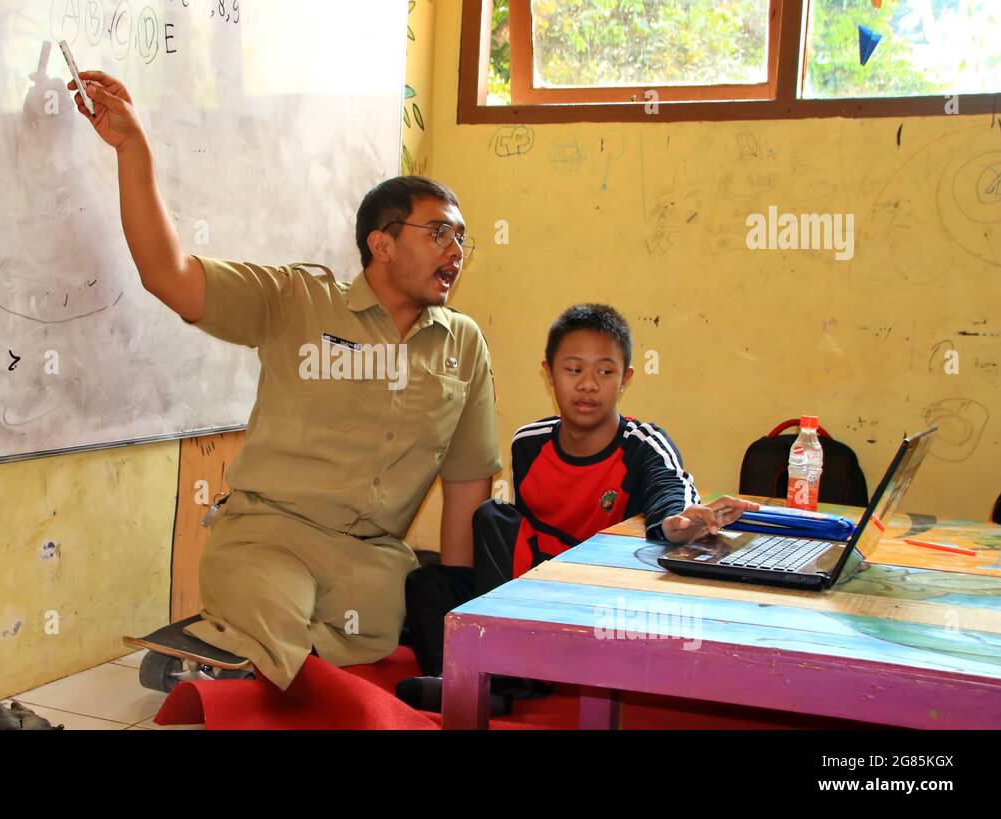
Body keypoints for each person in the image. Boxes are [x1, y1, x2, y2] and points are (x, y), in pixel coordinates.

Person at [69, 72, 502, 690]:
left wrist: (453, 617)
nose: (455, 249)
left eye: (462, 237)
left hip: (370, 563)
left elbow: (466, 486)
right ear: (380, 242)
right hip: (270, 540)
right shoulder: (295, 299)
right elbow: (168, 274)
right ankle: (248, 657)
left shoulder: (464, 343)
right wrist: (133, 148)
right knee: (284, 640)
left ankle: (226, 661)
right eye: (438, 232)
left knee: (369, 642)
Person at [400, 304, 758, 709]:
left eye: (605, 372)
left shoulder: (643, 445)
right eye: (574, 370)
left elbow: (669, 497)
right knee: (426, 582)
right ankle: (459, 678)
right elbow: (518, 543)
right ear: (549, 374)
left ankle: (502, 679)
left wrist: (677, 525)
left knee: (492, 516)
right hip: (534, 591)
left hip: (599, 603)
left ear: (626, 380)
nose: (588, 385)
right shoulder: (528, 443)